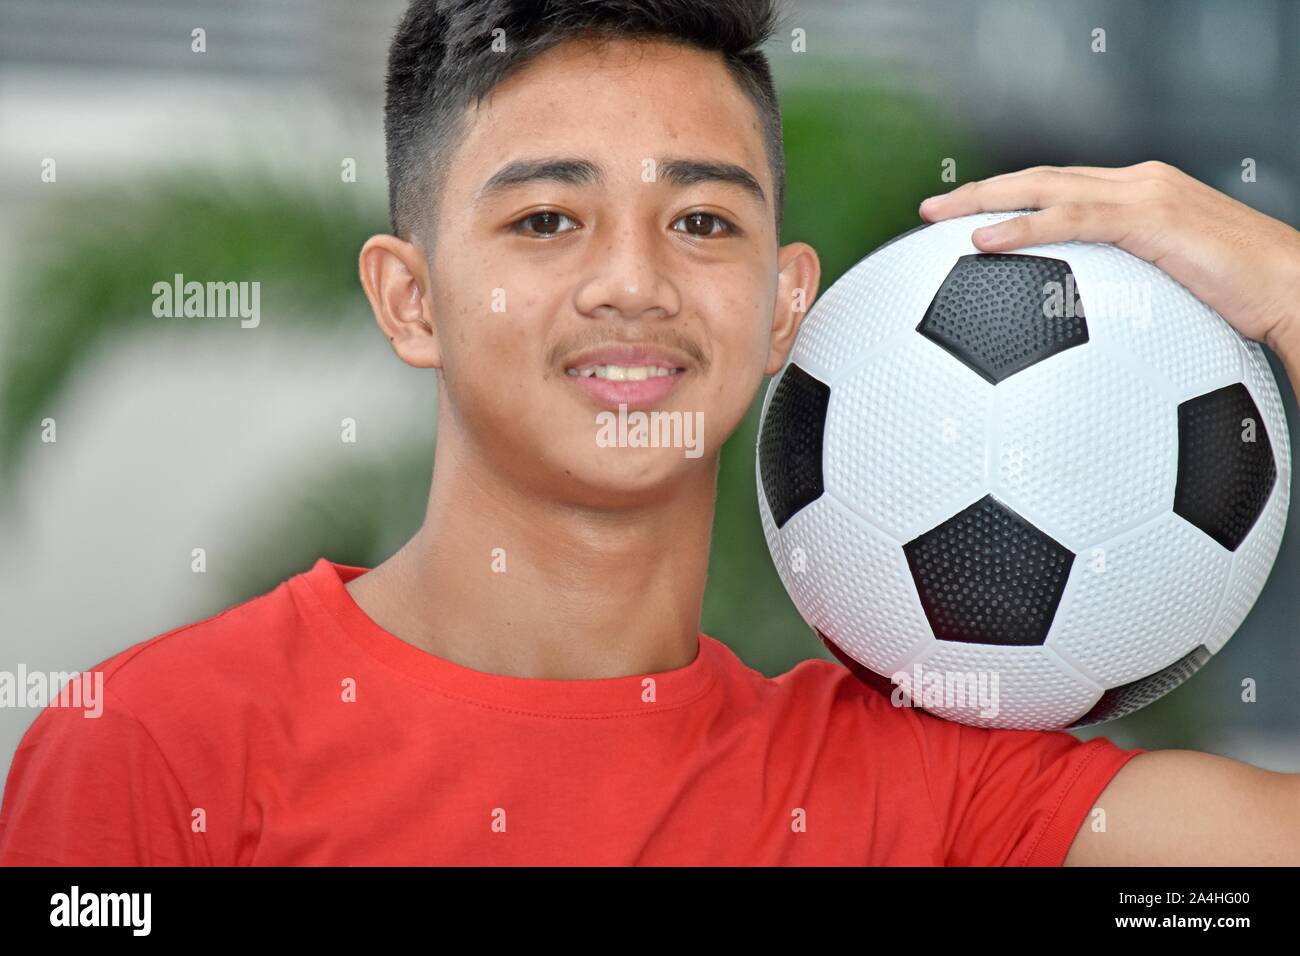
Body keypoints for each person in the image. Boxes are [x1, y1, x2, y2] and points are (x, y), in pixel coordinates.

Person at [2, 0, 1298, 866]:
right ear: (411, 298)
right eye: (547, 220)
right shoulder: (161, 744)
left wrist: (1288, 287)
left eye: (702, 222)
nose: (633, 283)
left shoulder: (925, 792)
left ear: (791, 300)